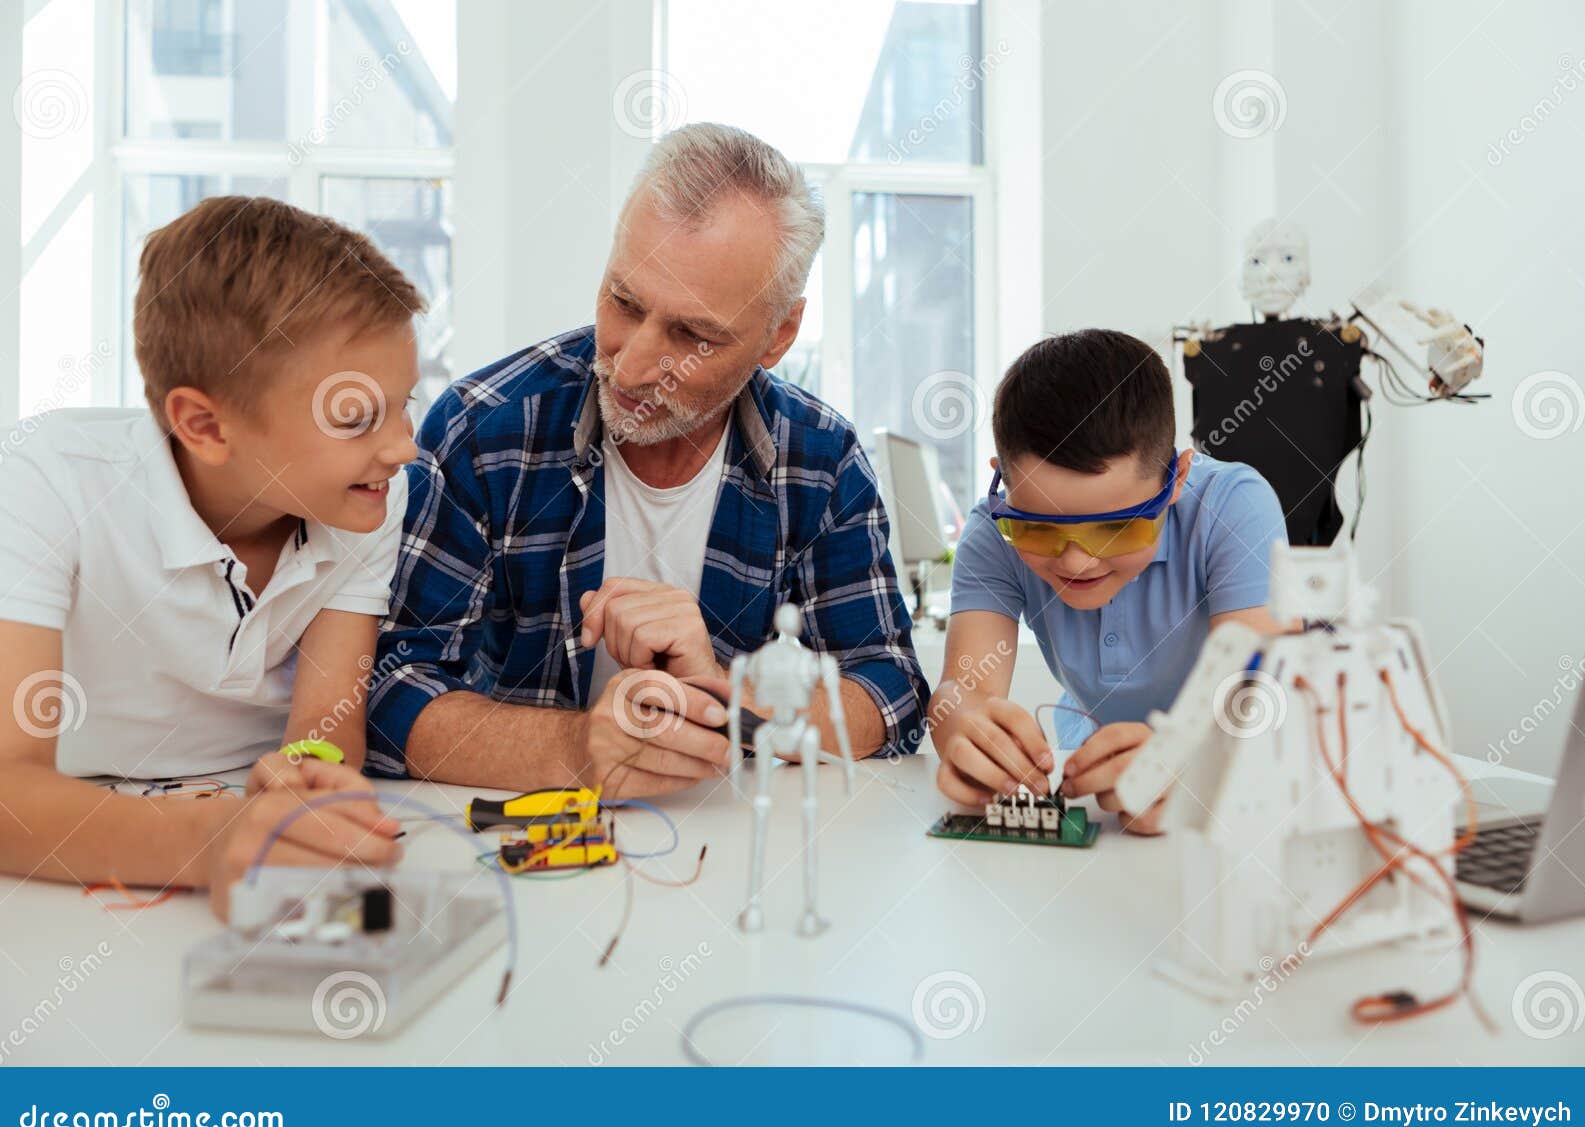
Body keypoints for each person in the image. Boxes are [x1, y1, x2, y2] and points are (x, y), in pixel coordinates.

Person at [370, 123, 928, 795]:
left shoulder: (821, 460)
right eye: (624, 301)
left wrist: (729, 701)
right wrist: (579, 750)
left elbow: (890, 690)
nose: (631, 367)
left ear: (779, 334)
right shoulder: (483, 428)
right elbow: (390, 691)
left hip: (724, 864)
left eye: (692, 334)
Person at [0, 196, 416, 916]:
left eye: (407, 402)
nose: (404, 445)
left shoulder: (363, 495)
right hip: (72, 855)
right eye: (356, 418)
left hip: (234, 827)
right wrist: (214, 840)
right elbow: (8, 792)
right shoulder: (46, 479)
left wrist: (307, 798)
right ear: (204, 424)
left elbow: (324, 730)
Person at [929, 329, 1287, 833]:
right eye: (1039, 527)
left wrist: (1196, 767)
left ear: (1176, 480)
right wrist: (965, 731)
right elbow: (961, 690)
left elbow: (1260, 696)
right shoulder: (993, 532)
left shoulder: (1233, 507)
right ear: (1003, 482)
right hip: (1090, 771)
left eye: (1116, 528)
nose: (1077, 562)